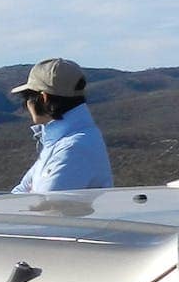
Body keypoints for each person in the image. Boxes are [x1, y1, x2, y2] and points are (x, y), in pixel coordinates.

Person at [10, 57, 112, 193]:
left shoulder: (74, 147)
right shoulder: (62, 142)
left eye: (28, 98)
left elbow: (49, 207)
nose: (27, 104)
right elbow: (20, 192)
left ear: (44, 98)